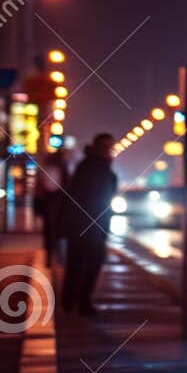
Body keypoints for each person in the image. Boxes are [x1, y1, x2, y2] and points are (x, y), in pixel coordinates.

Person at [61, 134, 118, 315]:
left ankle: (70, 301)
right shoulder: (98, 169)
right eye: (107, 147)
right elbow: (96, 199)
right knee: (88, 263)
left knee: (77, 264)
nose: (110, 150)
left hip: (84, 225)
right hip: (89, 225)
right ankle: (80, 302)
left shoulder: (89, 167)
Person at [32, 148, 68, 262]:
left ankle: (51, 255)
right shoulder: (61, 170)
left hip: (49, 205)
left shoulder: (46, 170)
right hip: (57, 205)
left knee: (50, 232)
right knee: (57, 232)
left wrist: (37, 210)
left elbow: (40, 190)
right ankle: (56, 256)